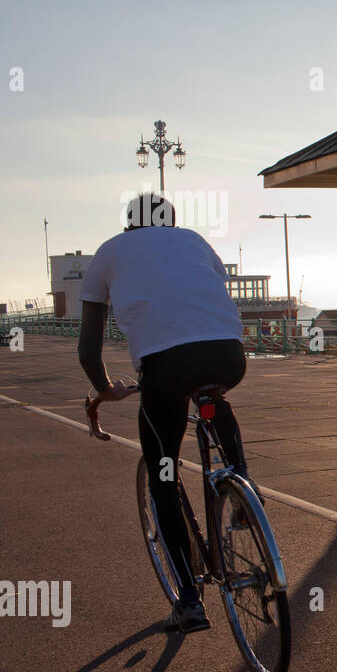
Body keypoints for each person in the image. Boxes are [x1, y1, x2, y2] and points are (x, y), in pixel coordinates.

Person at [77, 192, 248, 634]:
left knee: (164, 480)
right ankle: (241, 483)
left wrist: (104, 389)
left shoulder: (109, 252)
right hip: (229, 356)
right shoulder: (194, 240)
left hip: (166, 369)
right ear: (170, 221)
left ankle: (189, 601)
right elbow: (205, 301)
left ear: (128, 223)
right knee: (214, 399)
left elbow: (88, 348)